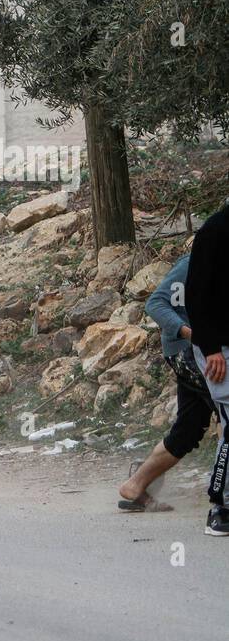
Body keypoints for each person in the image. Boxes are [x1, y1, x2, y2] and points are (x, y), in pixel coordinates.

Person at [116, 253, 214, 512]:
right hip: (188, 352)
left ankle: (136, 484)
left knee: (189, 428)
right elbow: (156, 303)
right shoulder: (193, 263)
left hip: (205, 353)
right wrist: (190, 333)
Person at [185, 201, 229, 536]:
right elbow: (196, 296)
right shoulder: (215, 231)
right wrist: (211, 348)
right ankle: (220, 506)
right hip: (219, 351)